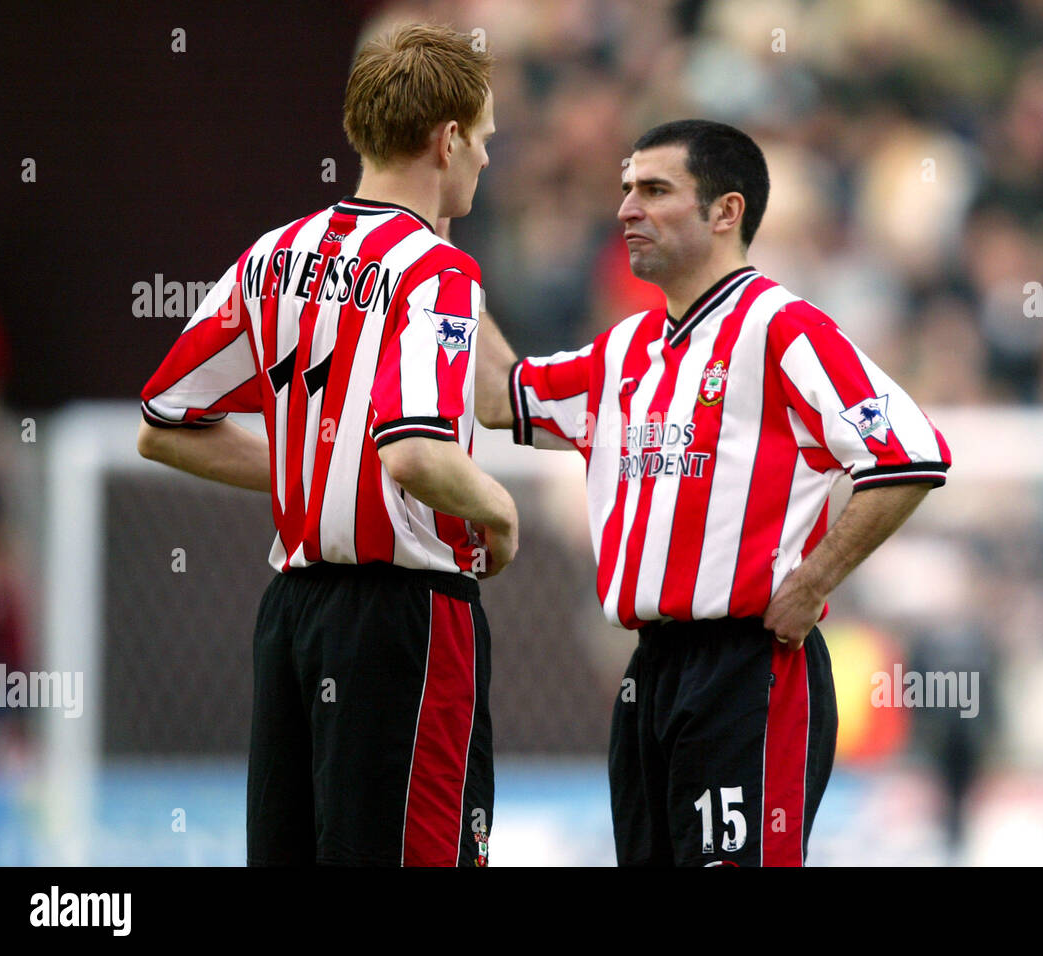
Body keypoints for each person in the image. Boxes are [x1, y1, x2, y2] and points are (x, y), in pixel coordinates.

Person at [475, 119, 952, 866]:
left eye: (655, 190)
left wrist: (814, 580)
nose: (628, 209)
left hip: (746, 670)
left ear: (726, 212)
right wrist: (434, 260)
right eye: (627, 190)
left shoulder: (781, 329)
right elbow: (500, 398)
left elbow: (912, 454)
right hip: (650, 673)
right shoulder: (625, 348)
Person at [137, 23, 515, 867]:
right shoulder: (438, 272)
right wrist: (500, 512)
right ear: (448, 139)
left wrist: (322, 470)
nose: (487, 159)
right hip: (404, 622)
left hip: (294, 621)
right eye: (484, 138)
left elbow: (163, 424)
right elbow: (416, 453)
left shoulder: (275, 253)